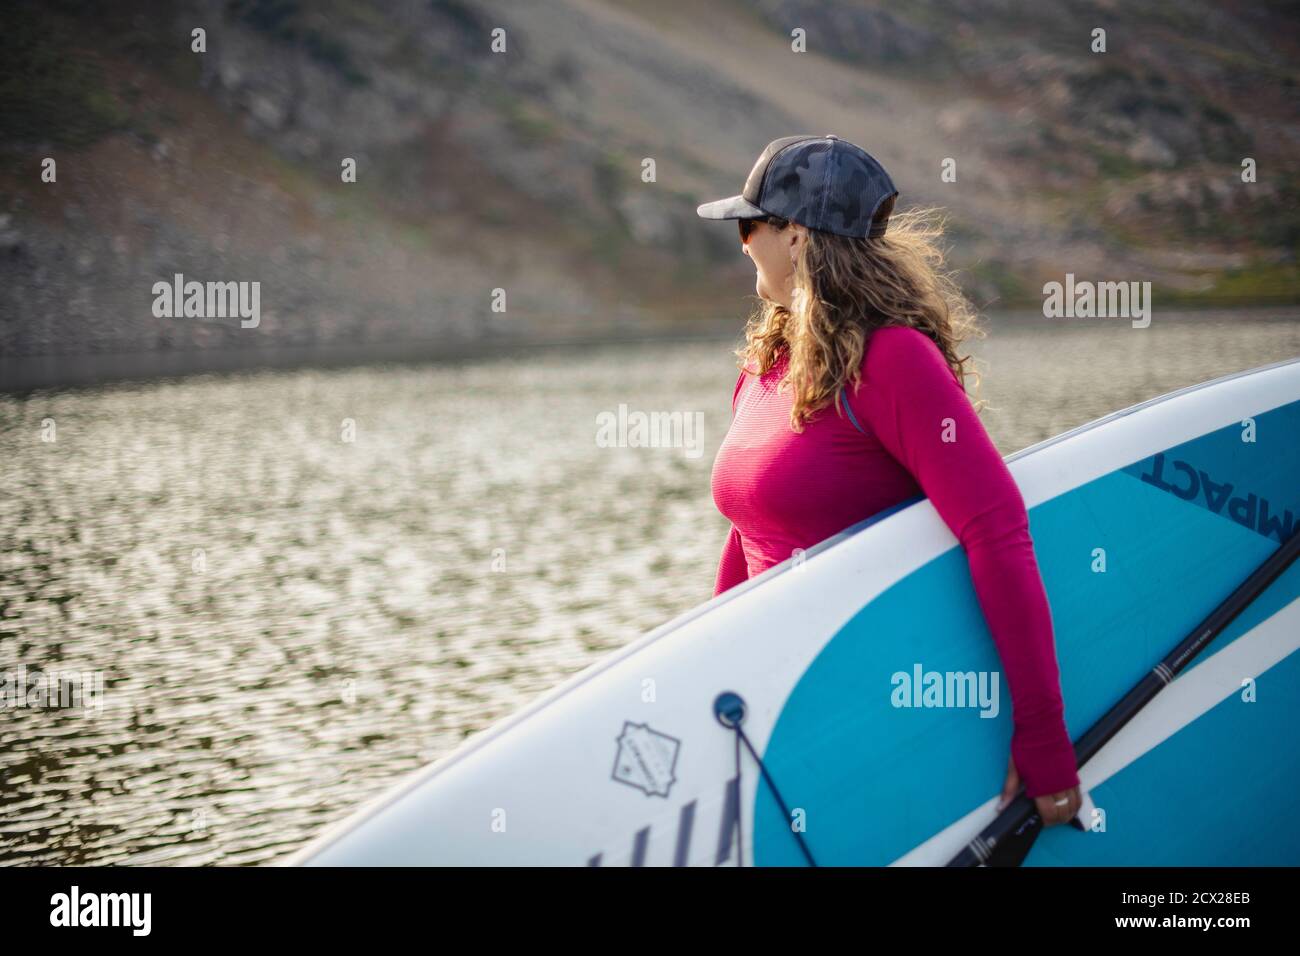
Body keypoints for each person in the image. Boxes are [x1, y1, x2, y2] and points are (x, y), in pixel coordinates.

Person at [697, 134, 1082, 825]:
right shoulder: (769, 362)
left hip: (872, 703)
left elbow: (996, 530)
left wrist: (1045, 739)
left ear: (797, 237)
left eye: (749, 224)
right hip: (775, 712)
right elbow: (747, 532)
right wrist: (708, 680)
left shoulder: (892, 360)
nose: (742, 241)